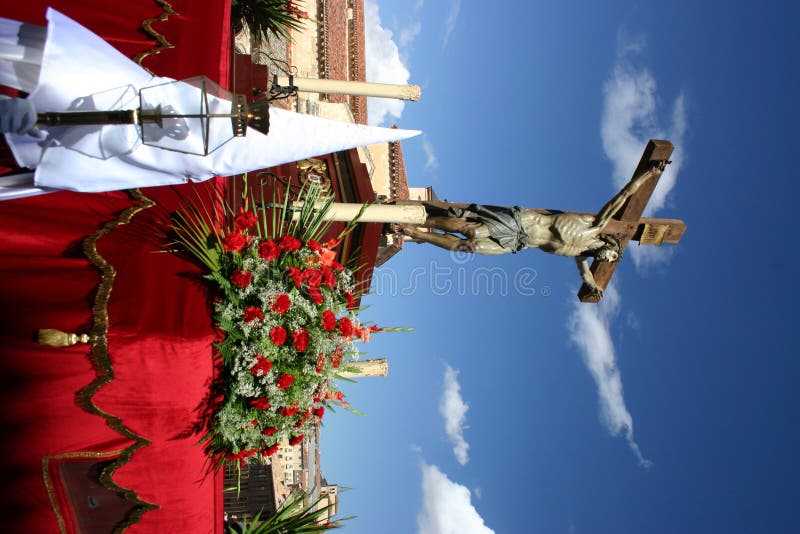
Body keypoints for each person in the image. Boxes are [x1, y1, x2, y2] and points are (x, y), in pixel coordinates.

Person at [0, 9, 420, 200]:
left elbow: (175, 160)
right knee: (55, 78)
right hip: (122, 97)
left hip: (126, 139)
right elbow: (177, 101)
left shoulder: (207, 157)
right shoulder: (210, 115)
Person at [396, 162, 667, 299]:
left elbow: (586, 277)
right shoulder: (595, 225)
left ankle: (415, 233)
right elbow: (621, 198)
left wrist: (595, 286)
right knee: (473, 231)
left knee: (466, 248)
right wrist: (649, 175)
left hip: (519, 243)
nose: (605, 260)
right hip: (523, 222)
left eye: (607, 261)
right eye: (609, 255)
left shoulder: (581, 254)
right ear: (609, 244)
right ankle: (421, 220)